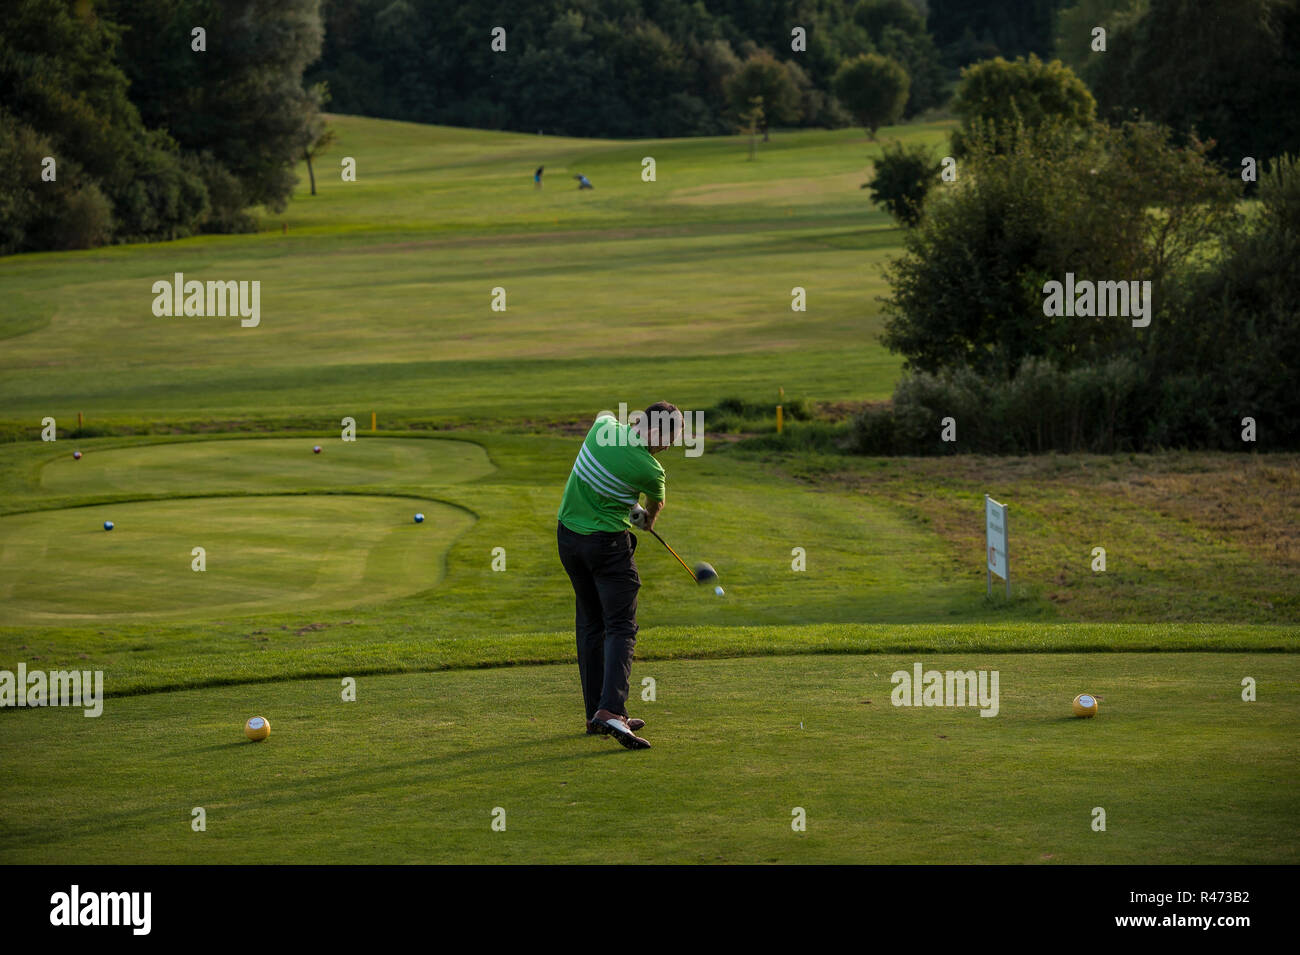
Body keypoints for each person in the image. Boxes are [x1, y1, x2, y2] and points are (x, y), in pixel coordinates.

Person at [556, 402, 682, 750]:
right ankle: (611, 711)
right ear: (657, 432)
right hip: (606, 548)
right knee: (621, 626)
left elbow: (607, 475)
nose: (669, 447)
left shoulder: (603, 428)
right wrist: (646, 516)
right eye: (670, 438)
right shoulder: (652, 470)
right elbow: (654, 509)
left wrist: (629, 506)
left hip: (567, 539)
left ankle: (596, 713)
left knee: (591, 624)